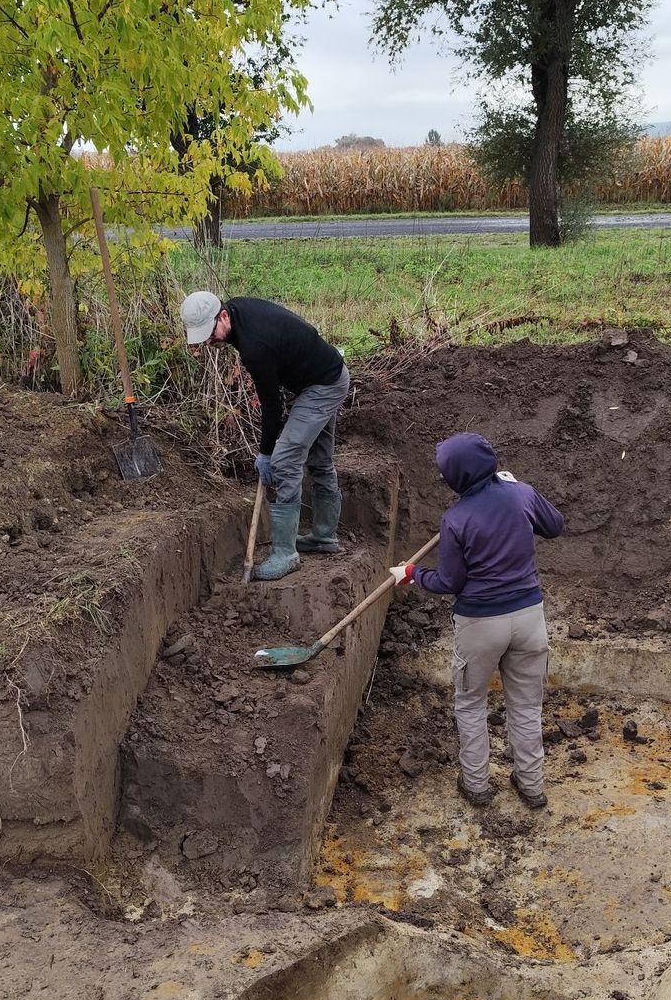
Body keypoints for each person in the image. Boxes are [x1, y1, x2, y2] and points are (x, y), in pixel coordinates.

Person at [391, 433, 564, 810]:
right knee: (526, 705)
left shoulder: (456, 519)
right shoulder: (521, 494)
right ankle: (532, 786)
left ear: (456, 477)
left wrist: (413, 574)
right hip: (528, 618)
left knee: (470, 704)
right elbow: (555, 526)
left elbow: (449, 583)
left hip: (480, 624)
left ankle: (477, 785)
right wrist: (519, 488)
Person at [180, 292, 350, 580]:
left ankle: (286, 553)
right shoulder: (238, 309)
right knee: (319, 460)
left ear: (223, 317)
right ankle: (324, 537)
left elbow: (272, 404)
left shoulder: (254, 346)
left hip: (323, 386)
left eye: (209, 334)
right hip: (325, 374)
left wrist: (266, 453)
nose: (208, 342)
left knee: (285, 460)